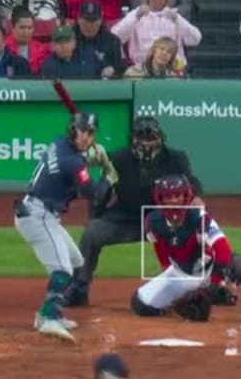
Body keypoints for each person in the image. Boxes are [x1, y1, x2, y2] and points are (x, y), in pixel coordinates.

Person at [66, 116, 199, 308]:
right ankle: (79, 288)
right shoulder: (118, 159)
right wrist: (95, 216)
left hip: (162, 220)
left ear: (161, 138)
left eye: (152, 138)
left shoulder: (176, 158)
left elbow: (192, 182)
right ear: (133, 139)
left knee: (193, 233)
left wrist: (196, 196)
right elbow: (101, 193)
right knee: (92, 233)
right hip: (125, 218)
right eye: (143, 138)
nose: (147, 143)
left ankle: (197, 288)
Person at [133, 174, 241, 324]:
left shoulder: (199, 218)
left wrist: (215, 282)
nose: (174, 200)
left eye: (178, 195)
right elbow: (160, 248)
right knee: (141, 305)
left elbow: (223, 249)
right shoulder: (152, 221)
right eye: (169, 197)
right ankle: (179, 301)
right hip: (181, 272)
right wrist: (168, 273)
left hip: (210, 266)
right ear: (160, 199)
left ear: (186, 196)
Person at [14, 109, 114, 341]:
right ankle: (49, 316)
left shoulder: (60, 143)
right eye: (82, 132)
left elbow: (75, 162)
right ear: (73, 130)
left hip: (41, 213)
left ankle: (50, 315)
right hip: (37, 216)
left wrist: (88, 158)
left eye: (91, 133)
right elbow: (95, 194)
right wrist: (108, 175)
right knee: (63, 270)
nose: (86, 137)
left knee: (77, 261)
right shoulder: (73, 162)